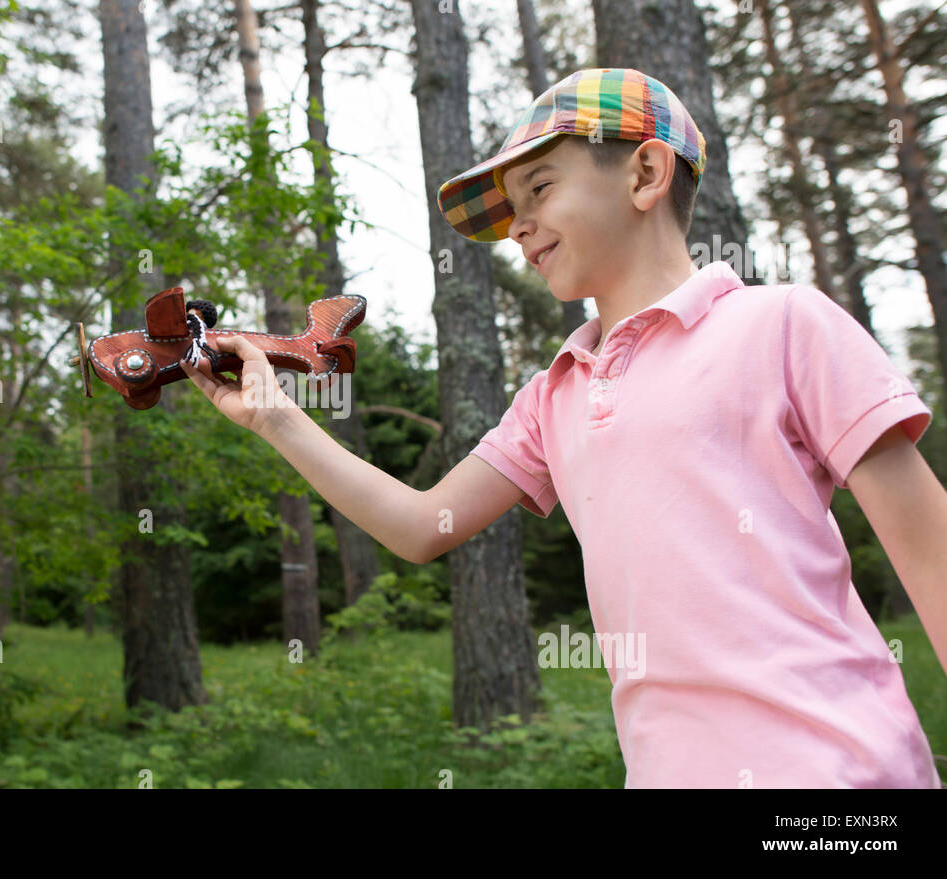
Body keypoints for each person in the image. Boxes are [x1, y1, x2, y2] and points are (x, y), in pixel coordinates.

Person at [182, 68, 947, 788]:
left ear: (646, 174)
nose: (520, 226)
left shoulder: (782, 324)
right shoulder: (553, 396)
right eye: (512, 210)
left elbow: (932, 555)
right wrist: (276, 417)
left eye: (540, 189)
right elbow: (421, 525)